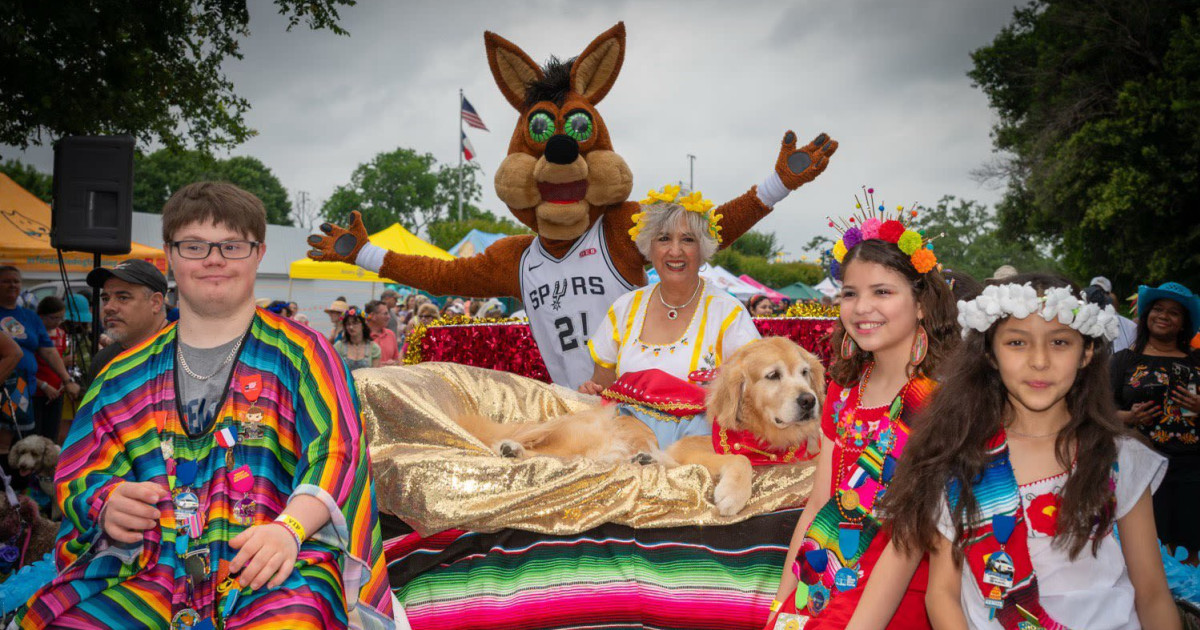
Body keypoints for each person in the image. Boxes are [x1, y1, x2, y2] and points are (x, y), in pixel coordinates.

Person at [19, 182, 394, 628]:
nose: (214, 259)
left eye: (232, 246)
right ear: (170, 254)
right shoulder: (123, 375)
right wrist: (108, 500)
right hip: (149, 568)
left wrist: (289, 530)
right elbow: (81, 469)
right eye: (195, 245)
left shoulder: (303, 353)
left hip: (274, 564)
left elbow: (338, 450)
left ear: (259, 253)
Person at [883, 274, 1178, 629]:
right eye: (1017, 343)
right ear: (990, 353)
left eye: (1059, 342)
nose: (1039, 361)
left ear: (1086, 353)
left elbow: (1152, 593)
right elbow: (942, 594)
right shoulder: (958, 459)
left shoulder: (1119, 457)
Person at [766, 197, 959, 630]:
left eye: (883, 292)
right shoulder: (843, 391)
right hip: (819, 583)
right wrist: (783, 607)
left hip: (897, 596)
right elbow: (819, 502)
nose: (861, 307)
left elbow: (909, 538)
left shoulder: (941, 400)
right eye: (850, 293)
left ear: (922, 303)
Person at [582, 187, 762, 444]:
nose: (675, 251)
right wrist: (590, 393)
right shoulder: (624, 309)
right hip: (627, 452)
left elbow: (755, 392)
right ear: (649, 247)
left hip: (698, 459)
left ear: (703, 249)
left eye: (687, 240)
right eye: (664, 239)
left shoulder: (727, 313)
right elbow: (603, 392)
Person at [1110, 281, 1200, 561]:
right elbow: (1097, 412)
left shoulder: (1197, 361)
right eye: (1158, 309)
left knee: (1191, 546)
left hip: (1193, 469)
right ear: (1146, 315)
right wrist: (1128, 416)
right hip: (1140, 468)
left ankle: (1190, 602)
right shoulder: (1123, 360)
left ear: (1184, 322)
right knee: (1147, 547)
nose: (1164, 315)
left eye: (1173, 312)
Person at [0, 267, 80, 435]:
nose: (12, 285)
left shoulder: (30, 317)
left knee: (23, 441)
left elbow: (49, 351)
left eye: (16, 281)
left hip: (25, 390)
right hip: (4, 387)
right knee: (4, 442)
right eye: (6, 281)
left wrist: (67, 380)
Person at [86, 259, 170, 382]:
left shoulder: (186, 355)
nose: (108, 307)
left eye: (123, 298)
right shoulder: (103, 360)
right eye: (105, 299)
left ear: (155, 303)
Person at [32, 296, 68, 441]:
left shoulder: (61, 334)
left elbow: (59, 360)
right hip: (36, 391)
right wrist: (44, 385)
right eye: (54, 318)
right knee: (35, 432)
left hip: (56, 391)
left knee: (51, 433)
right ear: (41, 316)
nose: (58, 322)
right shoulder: (33, 335)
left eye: (61, 318)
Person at [1088, 276, 1137, 352]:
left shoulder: (1130, 327)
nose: (1097, 296)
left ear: (1110, 296)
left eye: (1102, 292)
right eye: (1093, 291)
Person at [364, 300, 399, 366]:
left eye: (388, 313)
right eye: (385, 314)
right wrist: (384, 365)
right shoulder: (362, 336)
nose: (389, 317)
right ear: (373, 316)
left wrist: (394, 363)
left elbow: (397, 359)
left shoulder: (391, 334)